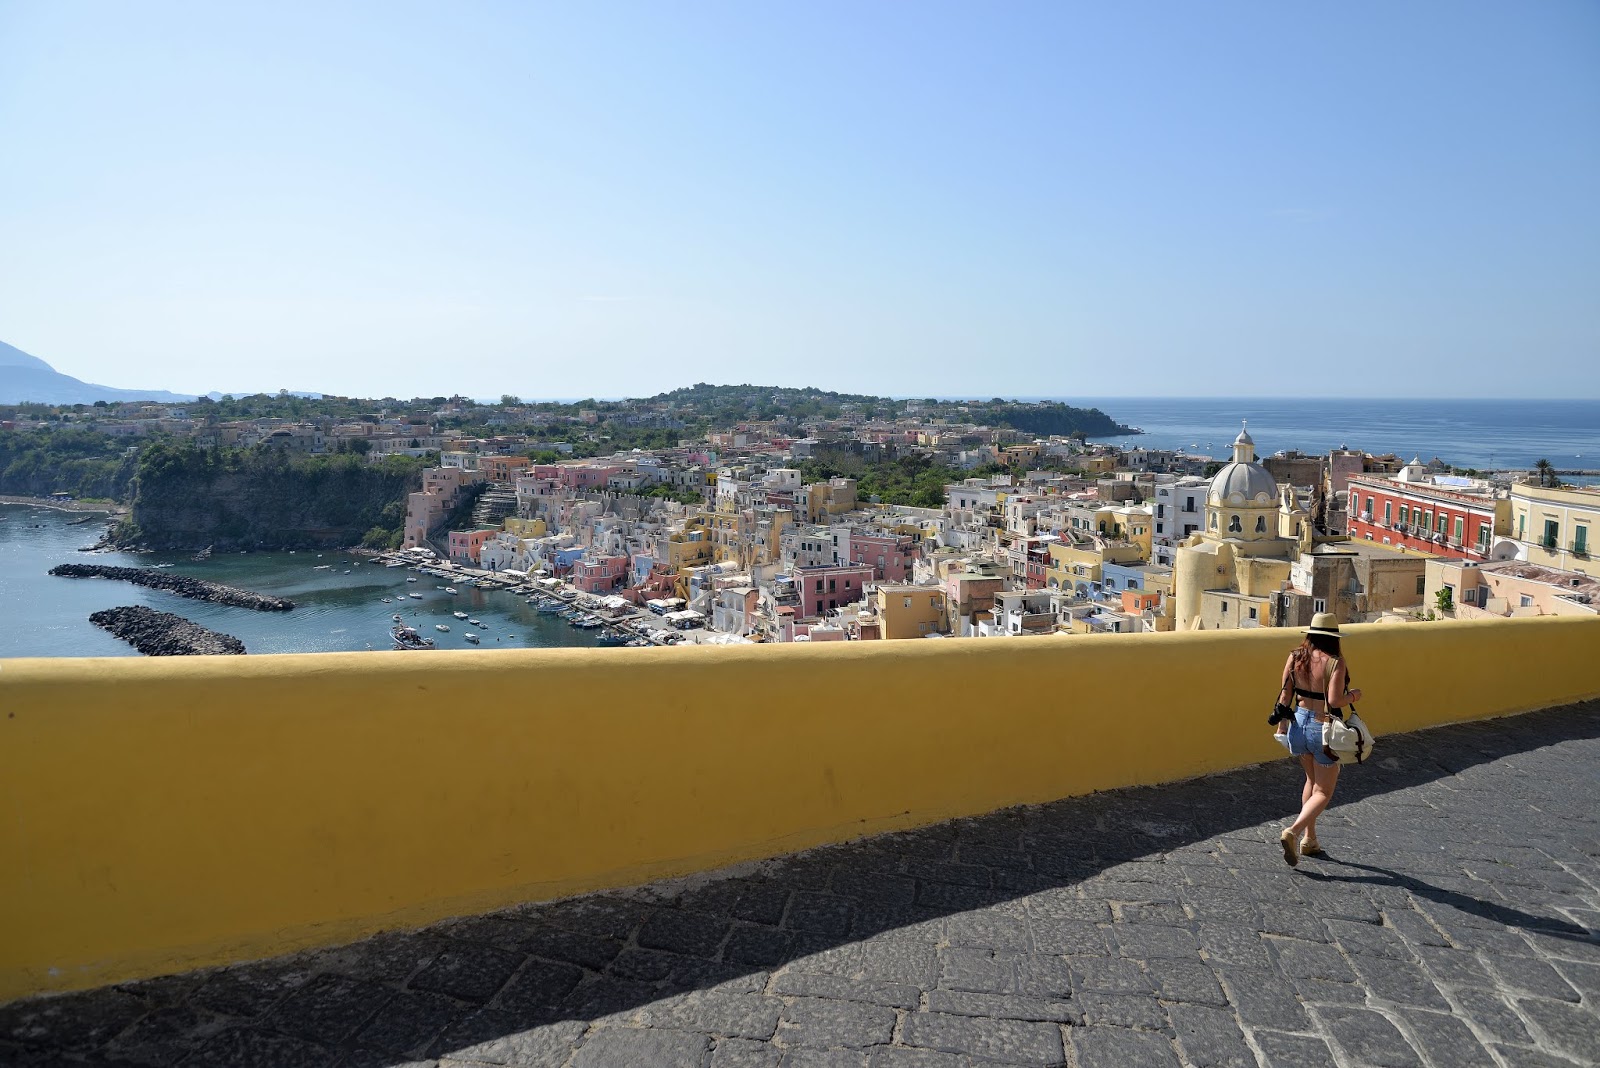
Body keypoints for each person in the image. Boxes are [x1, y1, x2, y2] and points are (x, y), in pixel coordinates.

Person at [1273, 613, 1362, 866]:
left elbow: (1284, 698)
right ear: (1334, 637)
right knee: (1323, 791)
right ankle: (1293, 831)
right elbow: (1334, 701)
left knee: (1311, 782)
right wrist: (1354, 696)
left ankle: (1309, 840)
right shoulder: (1335, 662)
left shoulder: (1295, 657)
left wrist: (1282, 727)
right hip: (1322, 727)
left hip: (1298, 724)